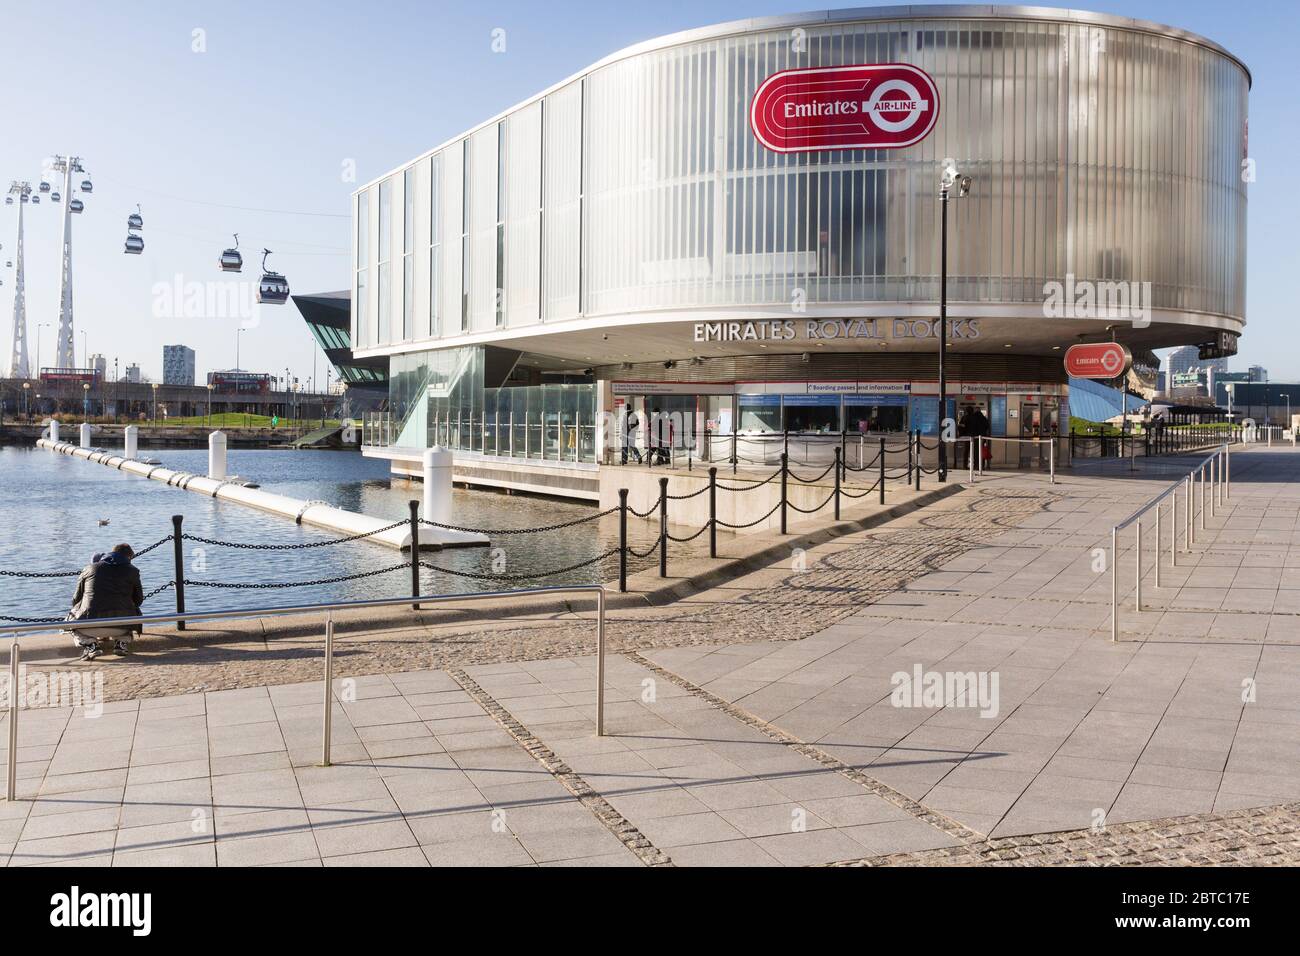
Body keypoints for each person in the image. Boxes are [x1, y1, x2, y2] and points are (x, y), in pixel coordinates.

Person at [67, 543, 144, 661]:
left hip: (88, 627)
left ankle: (90, 644)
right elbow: (138, 600)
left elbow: (75, 600)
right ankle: (121, 643)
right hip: (122, 627)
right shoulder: (133, 571)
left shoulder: (89, 568)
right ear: (129, 557)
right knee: (133, 611)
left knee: (70, 617)